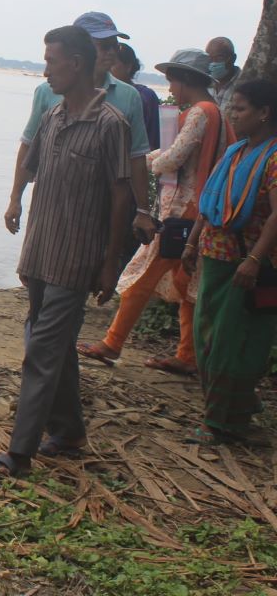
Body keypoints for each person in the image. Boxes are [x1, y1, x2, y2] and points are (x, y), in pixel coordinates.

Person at [0, 25, 130, 476]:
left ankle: (19, 454)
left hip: (76, 260)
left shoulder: (110, 125)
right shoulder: (53, 117)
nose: (45, 71)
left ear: (75, 64)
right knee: (53, 347)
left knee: (41, 351)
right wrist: (16, 204)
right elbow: (32, 169)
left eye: (51, 62)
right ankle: (69, 431)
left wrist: (109, 264)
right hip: (42, 252)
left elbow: (121, 197)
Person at [78, 50, 232, 374]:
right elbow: (177, 153)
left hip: (182, 211)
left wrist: (143, 164)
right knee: (186, 283)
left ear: (186, 79)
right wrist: (144, 159)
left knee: (141, 276)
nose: (171, 89)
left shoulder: (200, 113)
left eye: (172, 81)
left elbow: (174, 158)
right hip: (200, 212)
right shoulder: (216, 111)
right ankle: (187, 355)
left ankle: (113, 342)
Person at [6, 12, 153, 253]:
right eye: (103, 45)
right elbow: (29, 146)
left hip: (103, 209)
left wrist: (143, 210)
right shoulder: (47, 92)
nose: (112, 52)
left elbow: (136, 157)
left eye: (115, 46)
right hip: (50, 206)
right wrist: (15, 200)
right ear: (81, 50)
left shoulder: (129, 97)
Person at [182, 80, 277, 444]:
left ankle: (220, 422)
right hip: (215, 259)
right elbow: (211, 202)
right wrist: (191, 243)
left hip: (244, 266)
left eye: (240, 108)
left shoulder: (272, 159)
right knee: (207, 336)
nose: (233, 115)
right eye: (232, 107)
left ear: (264, 113)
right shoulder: (236, 152)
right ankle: (236, 410)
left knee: (231, 343)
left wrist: (253, 260)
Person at [110, 43, 160, 151]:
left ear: (128, 67)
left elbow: (154, 138)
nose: (108, 69)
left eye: (112, 64)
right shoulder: (101, 93)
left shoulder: (145, 96)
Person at [207, 36, 240, 110]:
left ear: (233, 58)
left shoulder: (245, 83)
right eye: (209, 58)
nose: (213, 62)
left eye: (219, 57)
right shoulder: (205, 84)